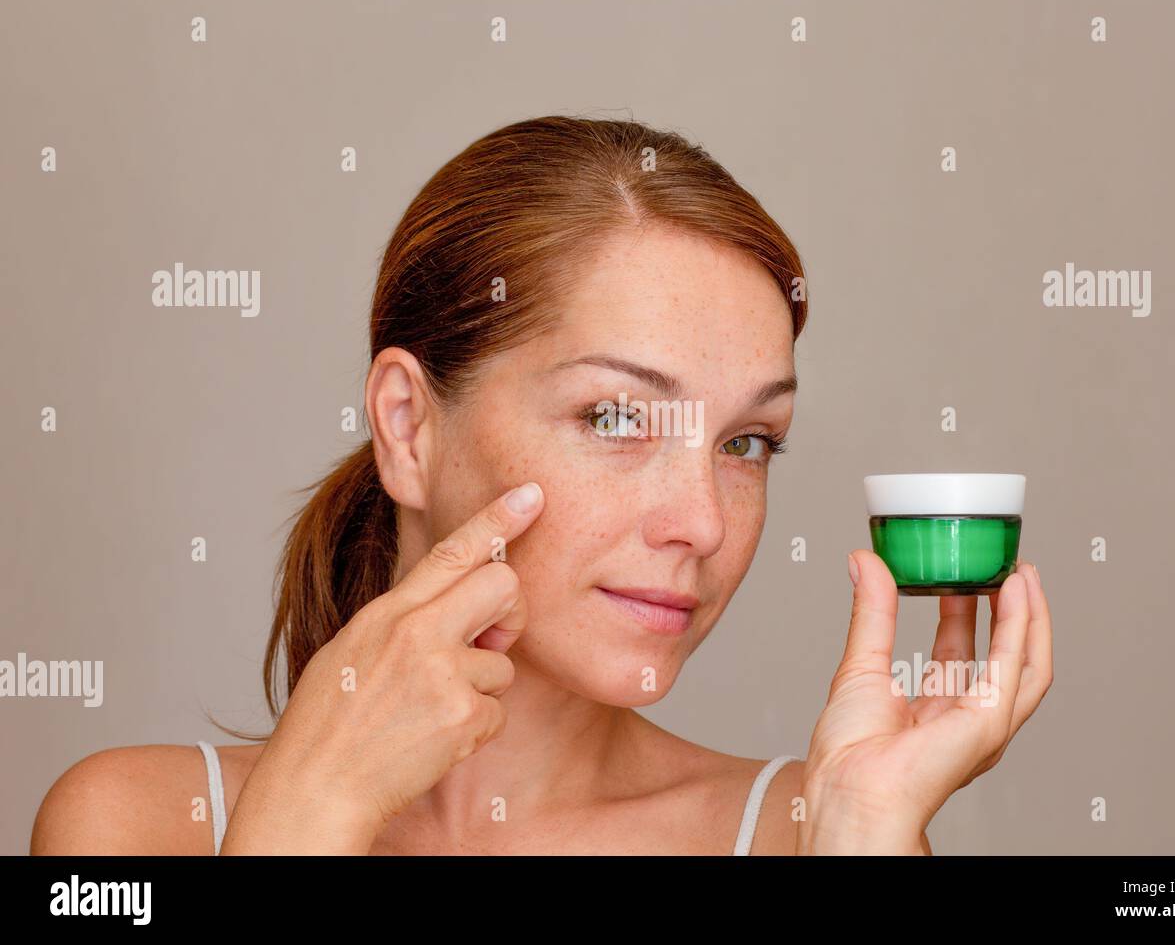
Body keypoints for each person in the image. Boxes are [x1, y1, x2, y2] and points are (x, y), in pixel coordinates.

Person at [30, 116, 1052, 855]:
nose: (700, 522)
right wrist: (303, 824)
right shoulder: (132, 831)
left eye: (746, 441)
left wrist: (867, 833)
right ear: (409, 425)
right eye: (614, 417)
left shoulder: (806, 832)